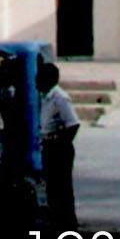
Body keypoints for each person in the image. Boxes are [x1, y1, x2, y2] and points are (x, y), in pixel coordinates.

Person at [38, 62, 79, 230]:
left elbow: (73, 124)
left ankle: (67, 225)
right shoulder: (45, 97)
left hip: (58, 148)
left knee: (62, 188)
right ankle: (57, 222)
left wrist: (59, 142)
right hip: (48, 145)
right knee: (52, 188)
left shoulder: (59, 97)